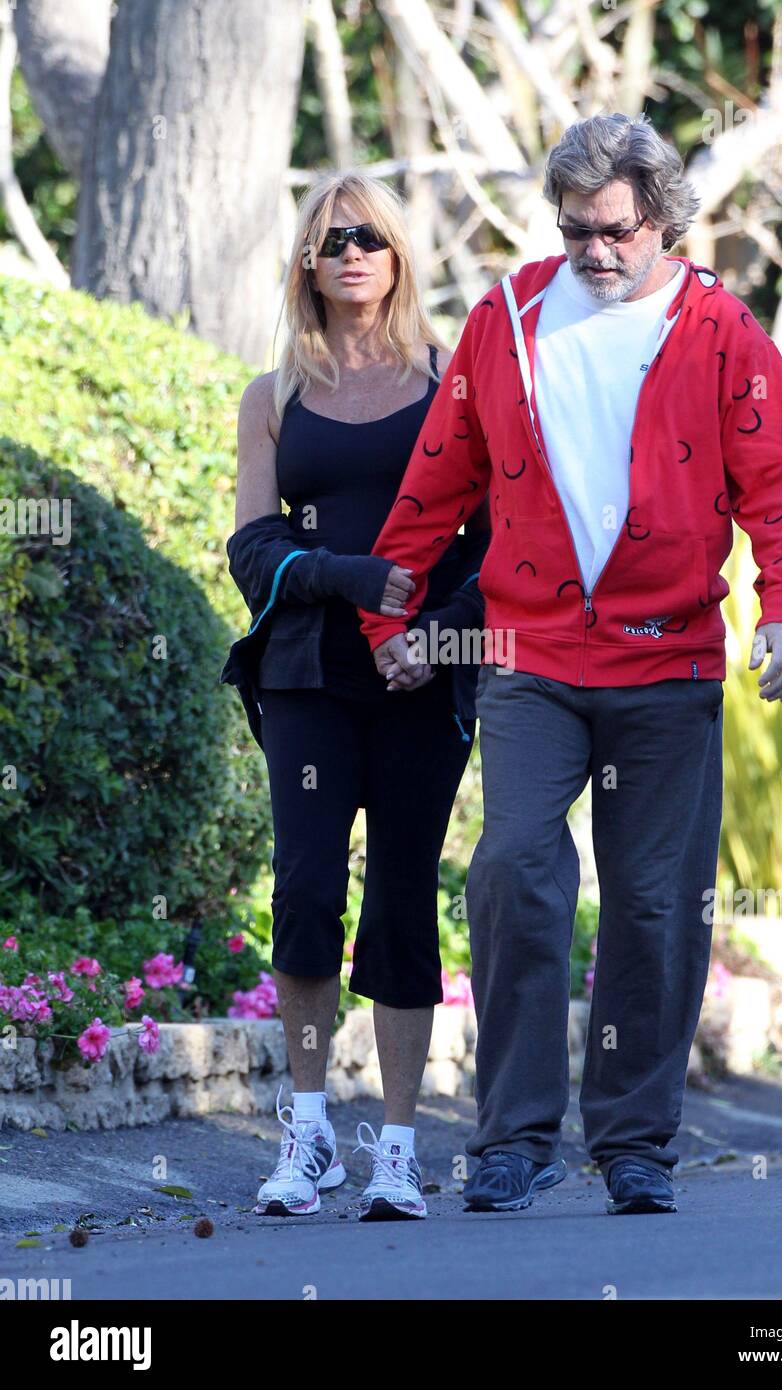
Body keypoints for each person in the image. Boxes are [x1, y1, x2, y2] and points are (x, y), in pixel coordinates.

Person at [357, 112, 782, 1216]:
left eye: (614, 230)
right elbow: (437, 477)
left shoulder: (720, 330)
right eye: (574, 231)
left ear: (661, 218)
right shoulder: (508, 320)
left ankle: (633, 1144)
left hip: (667, 665)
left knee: (655, 904)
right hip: (528, 653)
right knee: (515, 871)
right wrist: (392, 615)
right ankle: (514, 1137)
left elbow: (780, 485)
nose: (594, 251)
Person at [220, 170, 489, 1221]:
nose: (350, 254)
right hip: (308, 673)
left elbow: (492, 538)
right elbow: (252, 545)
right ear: (306, 260)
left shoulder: (448, 377)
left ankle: (398, 1146)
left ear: (398, 253)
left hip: (422, 676)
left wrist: (432, 634)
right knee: (304, 891)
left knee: (401, 898)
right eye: (330, 239)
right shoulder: (274, 393)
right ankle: (306, 1134)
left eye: (368, 236)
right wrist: (344, 577)